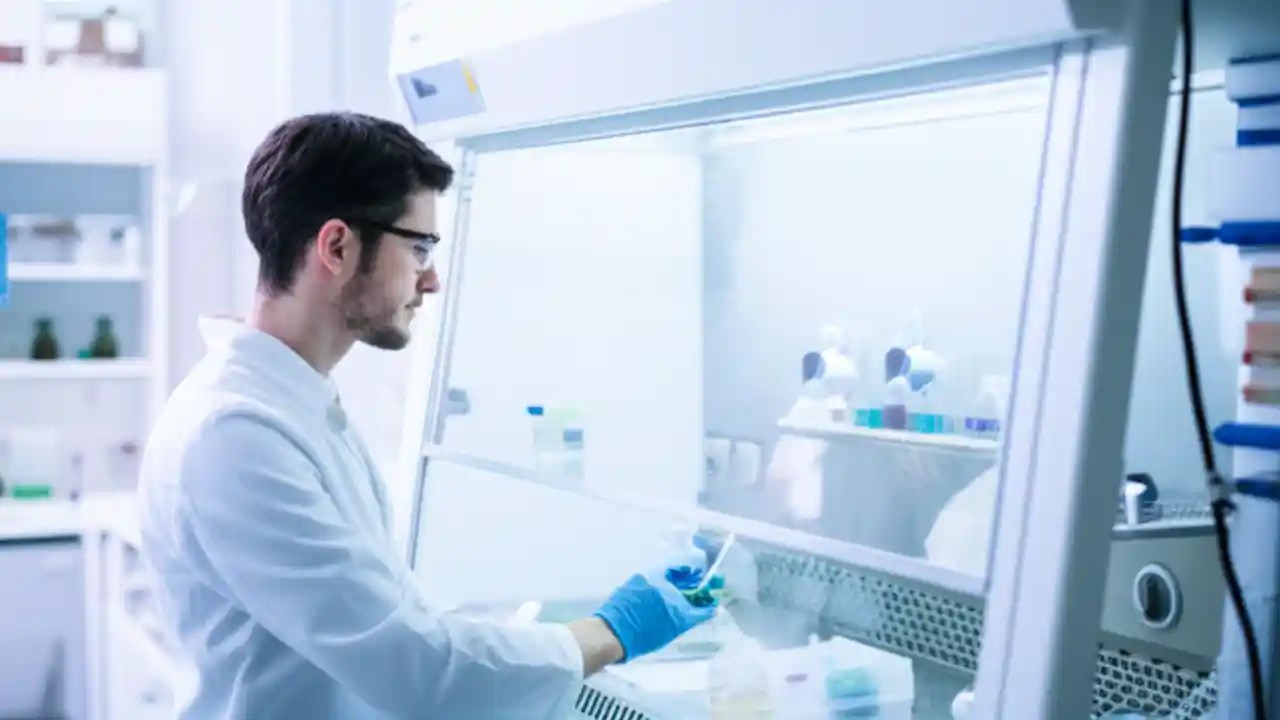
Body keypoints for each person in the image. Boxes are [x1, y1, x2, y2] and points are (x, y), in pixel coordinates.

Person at [137, 112, 715, 720]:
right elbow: (415, 666)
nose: (431, 279)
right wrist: (612, 631)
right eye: (418, 248)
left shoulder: (290, 404)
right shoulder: (235, 437)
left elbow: (386, 622)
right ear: (337, 246)